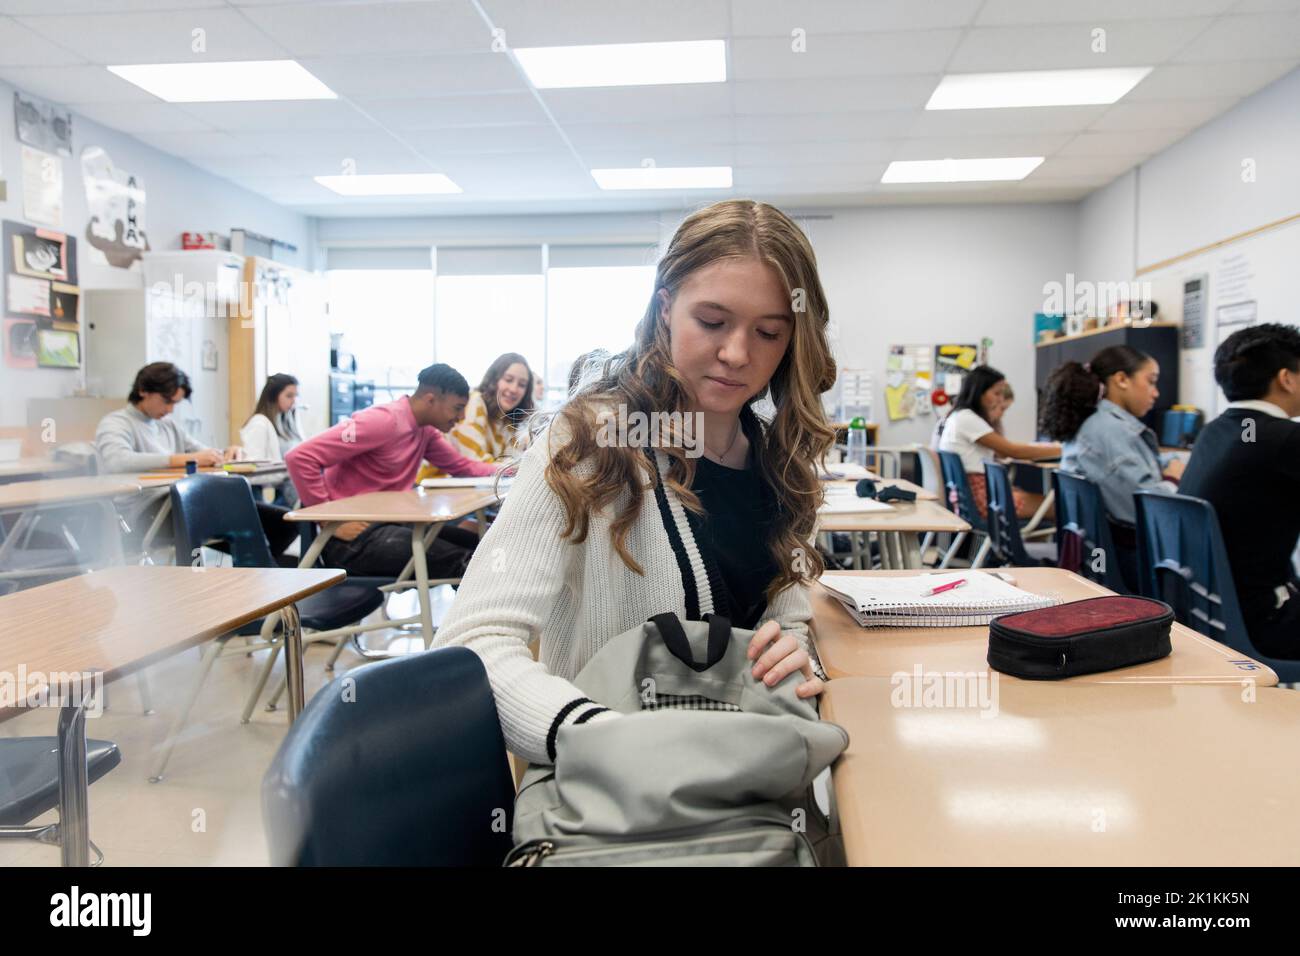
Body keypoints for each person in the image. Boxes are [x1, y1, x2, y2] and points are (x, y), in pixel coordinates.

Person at [432, 199, 837, 768]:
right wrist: (598, 738)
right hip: (621, 800)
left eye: (769, 332)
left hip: (751, 779)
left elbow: (788, 620)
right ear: (666, 308)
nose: (737, 354)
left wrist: (797, 652)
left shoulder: (781, 464)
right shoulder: (587, 443)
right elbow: (471, 644)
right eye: (712, 322)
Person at [285, 363, 498, 580]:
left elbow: (463, 467)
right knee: (471, 565)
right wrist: (328, 520)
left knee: (484, 548)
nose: (461, 417)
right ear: (430, 399)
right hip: (350, 540)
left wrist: (513, 470)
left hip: (389, 527)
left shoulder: (425, 431)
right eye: (457, 408)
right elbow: (300, 458)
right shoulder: (382, 421)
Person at [1180, 323, 1300, 658]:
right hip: (1264, 623)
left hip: (1207, 614)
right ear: (1286, 378)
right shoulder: (1287, 438)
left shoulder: (1212, 432)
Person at [95, 361, 297, 559]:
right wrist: (186, 459)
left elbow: (201, 451)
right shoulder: (116, 423)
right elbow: (118, 461)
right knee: (243, 515)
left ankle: (261, 570)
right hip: (147, 512)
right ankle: (258, 572)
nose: (170, 409)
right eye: (167, 401)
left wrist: (227, 452)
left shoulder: (167, 425)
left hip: (183, 502)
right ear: (143, 391)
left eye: (175, 403)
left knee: (283, 522)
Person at [1040, 345, 1183, 590]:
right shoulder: (1110, 431)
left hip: (1103, 561)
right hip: (1132, 565)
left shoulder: (1099, 424)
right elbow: (1146, 506)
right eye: (1150, 381)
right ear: (1121, 380)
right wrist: (1172, 479)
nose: (1156, 392)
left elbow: (1137, 468)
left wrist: (1169, 464)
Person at [937, 365, 1059, 519]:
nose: (1000, 399)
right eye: (996, 393)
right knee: (1059, 506)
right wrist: (1062, 450)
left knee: (1042, 505)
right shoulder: (967, 418)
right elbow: (1012, 451)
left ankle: (1024, 542)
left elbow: (1001, 451)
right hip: (985, 500)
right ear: (979, 392)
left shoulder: (957, 417)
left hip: (973, 497)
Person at [418, 353, 533, 480]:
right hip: (437, 484)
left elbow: (511, 462)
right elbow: (475, 461)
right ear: (494, 380)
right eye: (508, 380)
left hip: (471, 488)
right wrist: (517, 468)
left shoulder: (508, 419)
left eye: (522, 385)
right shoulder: (475, 401)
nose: (513, 389)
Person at [240, 372, 305, 507]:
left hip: (288, 487)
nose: (293, 401)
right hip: (280, 488)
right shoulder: (259, 423)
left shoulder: (286, 422)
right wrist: (289, 470)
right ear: (274, 396)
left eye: (295, 396)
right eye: (289, 396)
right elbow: (253, 468)